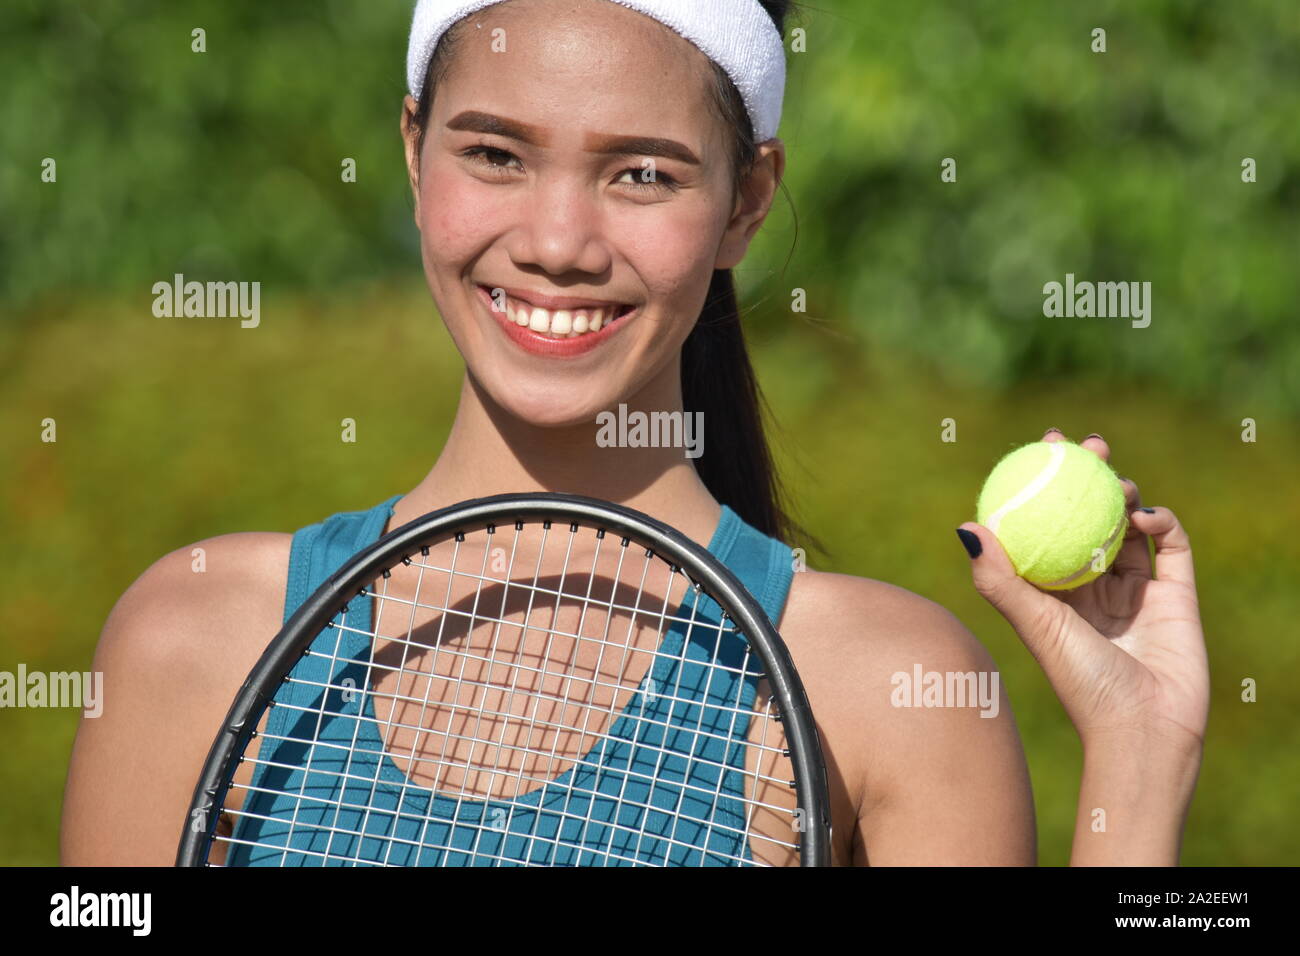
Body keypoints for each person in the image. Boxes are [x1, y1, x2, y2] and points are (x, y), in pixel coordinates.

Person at [61, 0, 1208, 866]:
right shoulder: (190, 639)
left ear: (748, 200)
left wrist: (1139, 757)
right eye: (495, 153)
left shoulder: (887, 687)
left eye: (642, 173)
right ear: (412, 151)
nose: (558, 240)